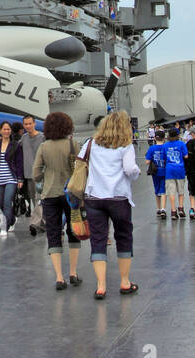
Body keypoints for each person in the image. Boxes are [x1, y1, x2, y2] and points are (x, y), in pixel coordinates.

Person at [80, 109, 141, 298]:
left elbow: (80, 162)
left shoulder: (91, 143)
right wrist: (135, 175)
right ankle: (124, 282)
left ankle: (101, 285)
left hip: (94, 197)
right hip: (118, 197)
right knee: (123, 237)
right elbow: (130, 169)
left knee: (98, 239)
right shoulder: (125, 146)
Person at [31, 111, 82, 289]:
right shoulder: (72, 144)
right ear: (67, 126)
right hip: (70, 194)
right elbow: (79, 169)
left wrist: (46, 177)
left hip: (49, 195)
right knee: (74, 231)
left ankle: (59, 277)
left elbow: (35, 173)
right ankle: (73, 273)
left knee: (53, 233)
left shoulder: (44, 147)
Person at [18, 114, 45, 236]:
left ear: (34, 124)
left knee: (39, 199)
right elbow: (14, 148)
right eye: (26, 124)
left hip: (41, 175)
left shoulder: (42, 138)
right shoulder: (23, 138)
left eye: (30, 123)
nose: (28, 126)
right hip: (28, 175)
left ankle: (34, 223)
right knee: (35, 200)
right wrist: (0, 140)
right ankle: (43, 224)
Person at [162, 127, 188, 219]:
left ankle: (173, 211)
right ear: (178, 135)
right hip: (180, 169)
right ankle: (181, 208)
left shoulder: (165, 145)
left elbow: (164, 158)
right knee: (181, 190)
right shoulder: (181, 144)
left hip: (169, 169)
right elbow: (186, 156)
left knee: (171, 191)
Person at [145, 130, 168, 218]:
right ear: (164, 138)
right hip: (165, 170)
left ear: (155, 138)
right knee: (163, 190)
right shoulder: (166, 147)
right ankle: (163, 208)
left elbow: (147, 161)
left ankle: (158, 208)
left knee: (157, 189)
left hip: (155, 171)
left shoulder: (152, 148)